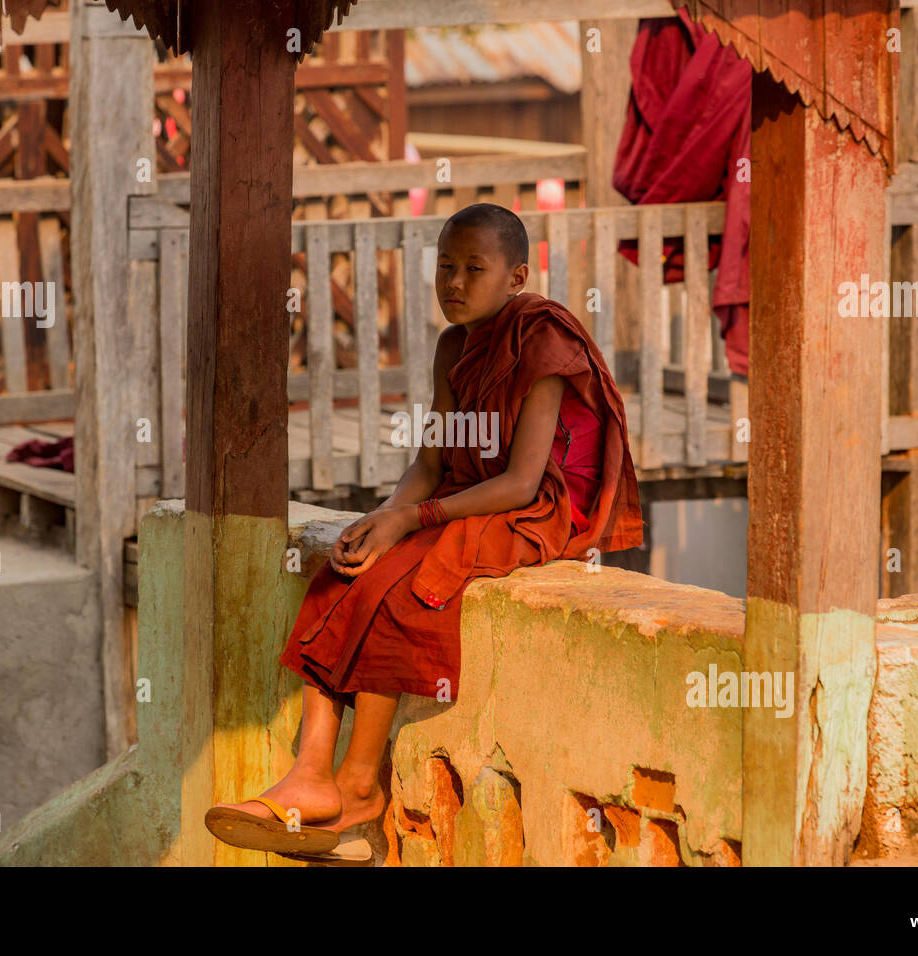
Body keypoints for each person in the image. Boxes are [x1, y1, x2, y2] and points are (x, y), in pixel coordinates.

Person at [205, 203, 643, 863]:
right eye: (445, 267)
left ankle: (358, 788)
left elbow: (523, 483)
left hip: (531, 511)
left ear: (517, 275)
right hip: (465, 494)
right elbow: (435, 461)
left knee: (413, 586)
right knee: (343, 571)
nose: (455, 284)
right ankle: (311, 773)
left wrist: (415, 519)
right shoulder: (451, 346)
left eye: (475, 268)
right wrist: (383, 517)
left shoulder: (542, 342)